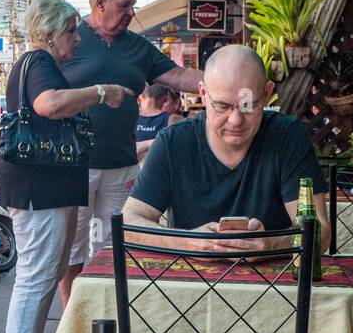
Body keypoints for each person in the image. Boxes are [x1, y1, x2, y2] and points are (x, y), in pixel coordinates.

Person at [0, 0, 131, 333]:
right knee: (39, 269)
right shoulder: (39, 61)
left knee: (49, 266)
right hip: (39, 188)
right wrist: (101, 91)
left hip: (47, 188)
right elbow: (49, 104)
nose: (76, 39)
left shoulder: (41, 63)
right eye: (71, 32)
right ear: (51, 33)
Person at [58, 0, 202, 305]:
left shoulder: (138, 47)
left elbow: (178, 75)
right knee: (74, 248)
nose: (131, 12)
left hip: (121, 163)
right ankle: (72, 320)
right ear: (100, 3)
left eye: (133, 6)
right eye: (125, 5)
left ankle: (106, 316)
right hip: (74, 164)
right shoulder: (71, 38)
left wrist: (225, 79)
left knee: (114, 245)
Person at [122, 45, 331, 254]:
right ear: (203, 94)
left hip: (277, 279)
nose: (236, 120)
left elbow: (320, 233)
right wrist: (189, 242)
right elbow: (127, 224)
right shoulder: (173, 142)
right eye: (222, 106)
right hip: (190, 277)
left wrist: (270, 244)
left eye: (248, 106)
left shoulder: (288, 136)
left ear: (267, 93)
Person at [135, 83, 185, 162]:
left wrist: (146, 144)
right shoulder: (174, 120)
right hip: (160, 170)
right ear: (165, 98)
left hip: (133, 172)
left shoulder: (129, 118)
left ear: (139, 97)